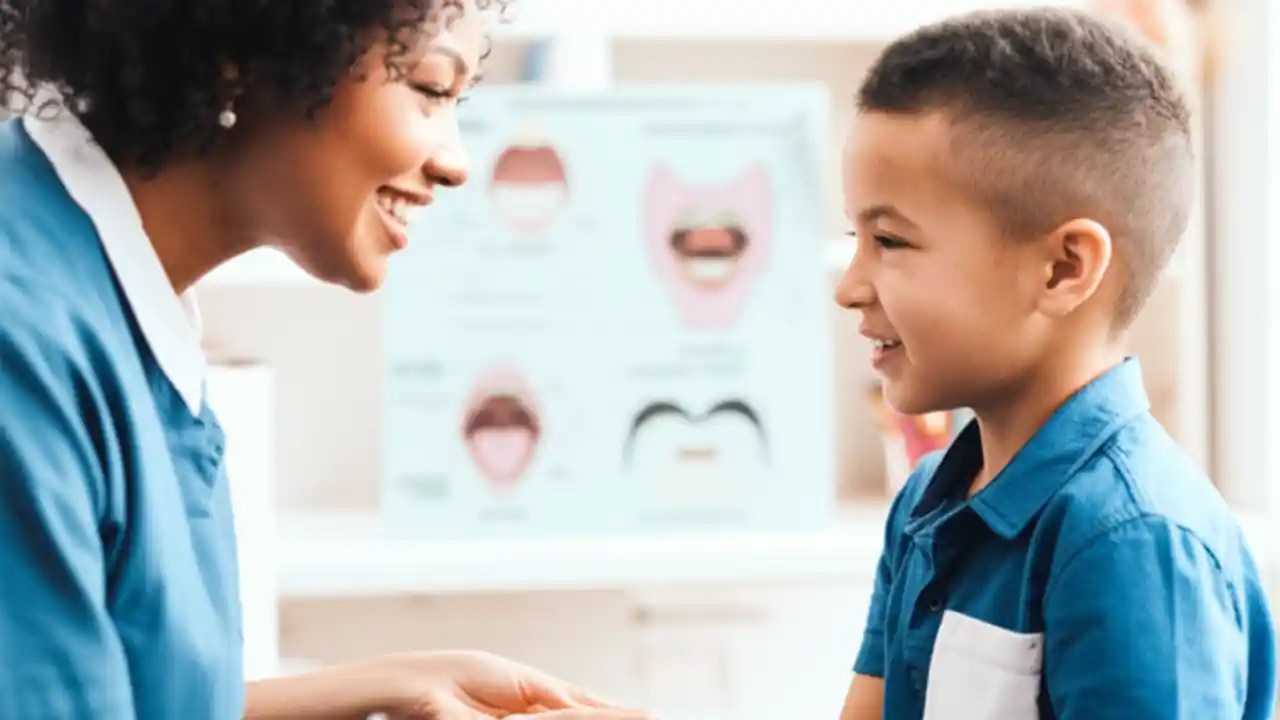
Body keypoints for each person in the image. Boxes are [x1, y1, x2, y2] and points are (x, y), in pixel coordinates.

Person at [0, 0, 653, 718]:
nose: (456, 163)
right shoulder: (23, 345)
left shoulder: (91, 280)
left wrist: (390, 686)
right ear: (242, 55)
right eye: (431, 89)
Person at [833, 7, 1275, 720]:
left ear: (1064, 268)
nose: (849, 286)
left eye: (889, 241)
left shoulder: (1134, 542)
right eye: (854, 237)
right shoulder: (926, 503)